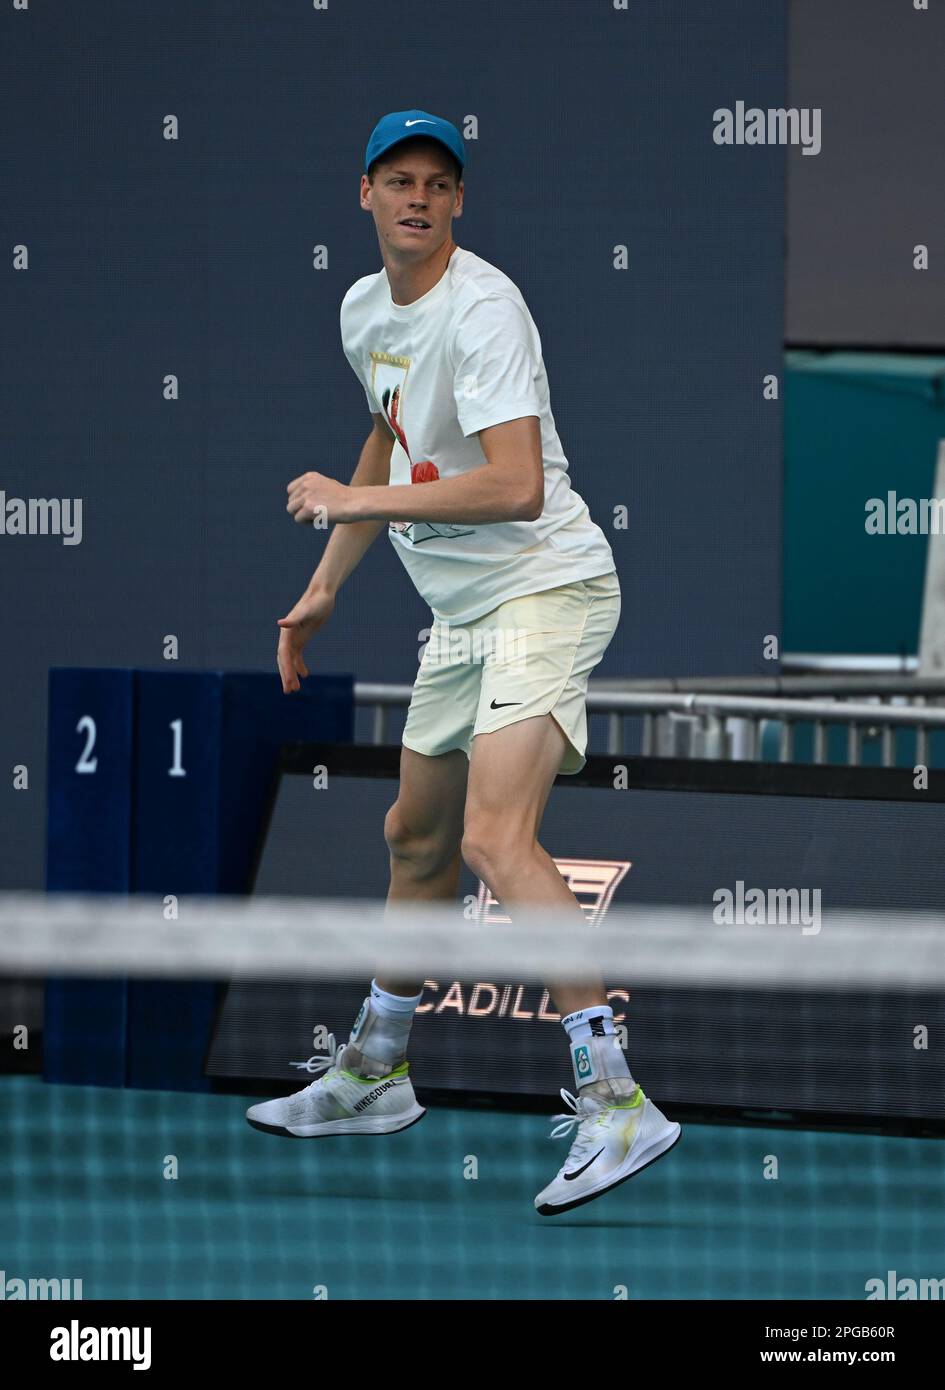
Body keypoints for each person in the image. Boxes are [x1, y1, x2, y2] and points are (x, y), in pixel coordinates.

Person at [246, 109, 680, 1215]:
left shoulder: (485, 308)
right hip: (461, 611)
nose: (418, 198)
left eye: (439, 183)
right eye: (399, 180)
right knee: (417, 835)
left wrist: (357, 502)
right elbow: (391, 433)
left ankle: (617, 1099)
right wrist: (329, 583)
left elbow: (514, 484)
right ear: (366, 194)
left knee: (495, 835)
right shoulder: (362, 309)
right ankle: (376, 1071)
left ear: (458, 203)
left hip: (545, 587)